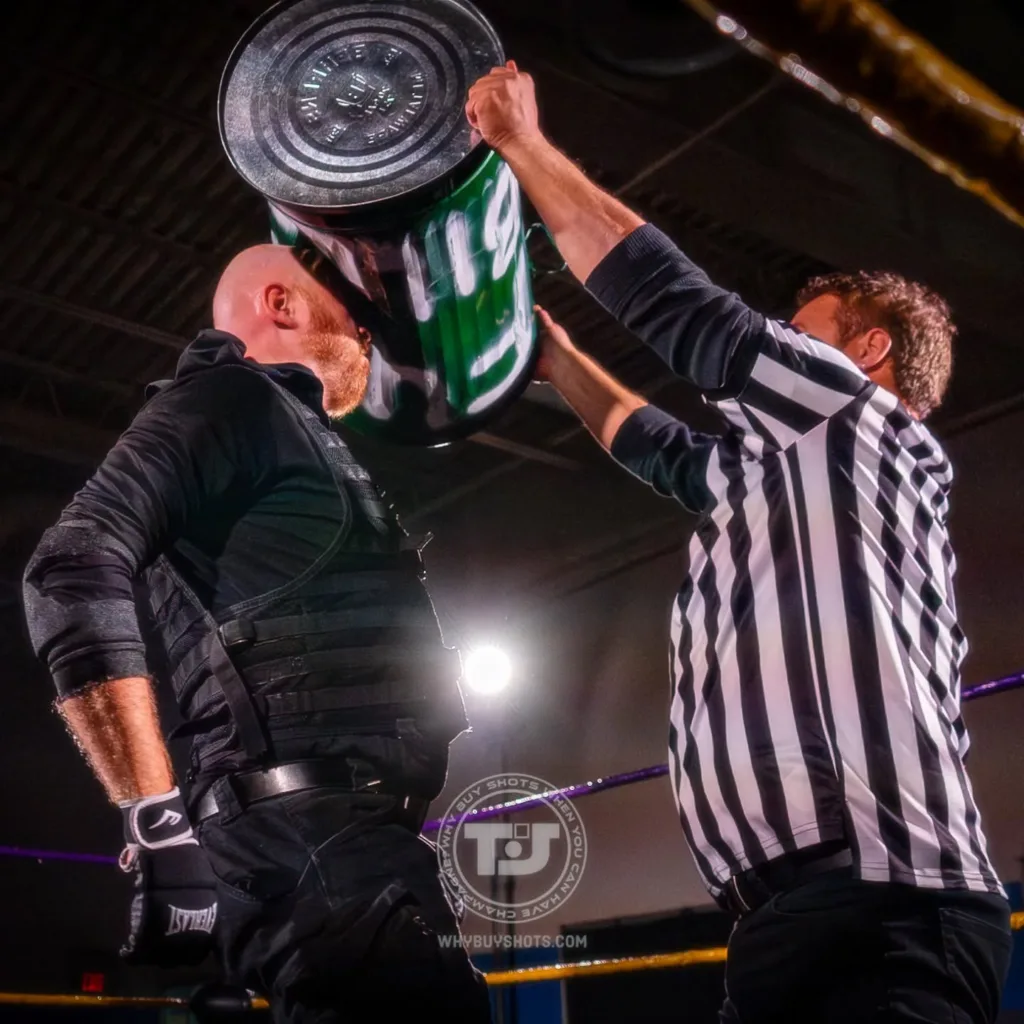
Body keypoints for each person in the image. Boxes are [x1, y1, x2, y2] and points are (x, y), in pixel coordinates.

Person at [467, 63, 1013, 1022]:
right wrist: (559, 360)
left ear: (867, 351)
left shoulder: (850, 415)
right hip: (794, 908)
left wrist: (523, 145)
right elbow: (665, 451)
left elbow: (679, 305)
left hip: (882, 899)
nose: (779, 352)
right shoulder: (791, 471)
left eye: (799, 336)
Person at [22, 244, 492, 1023]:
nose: (369, 331)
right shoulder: (231, 398)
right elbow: (69, 566)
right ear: (283, 303)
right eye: (356, 307)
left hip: (338, 840)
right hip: (312, 836)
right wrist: (157, 821)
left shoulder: (280, 422)